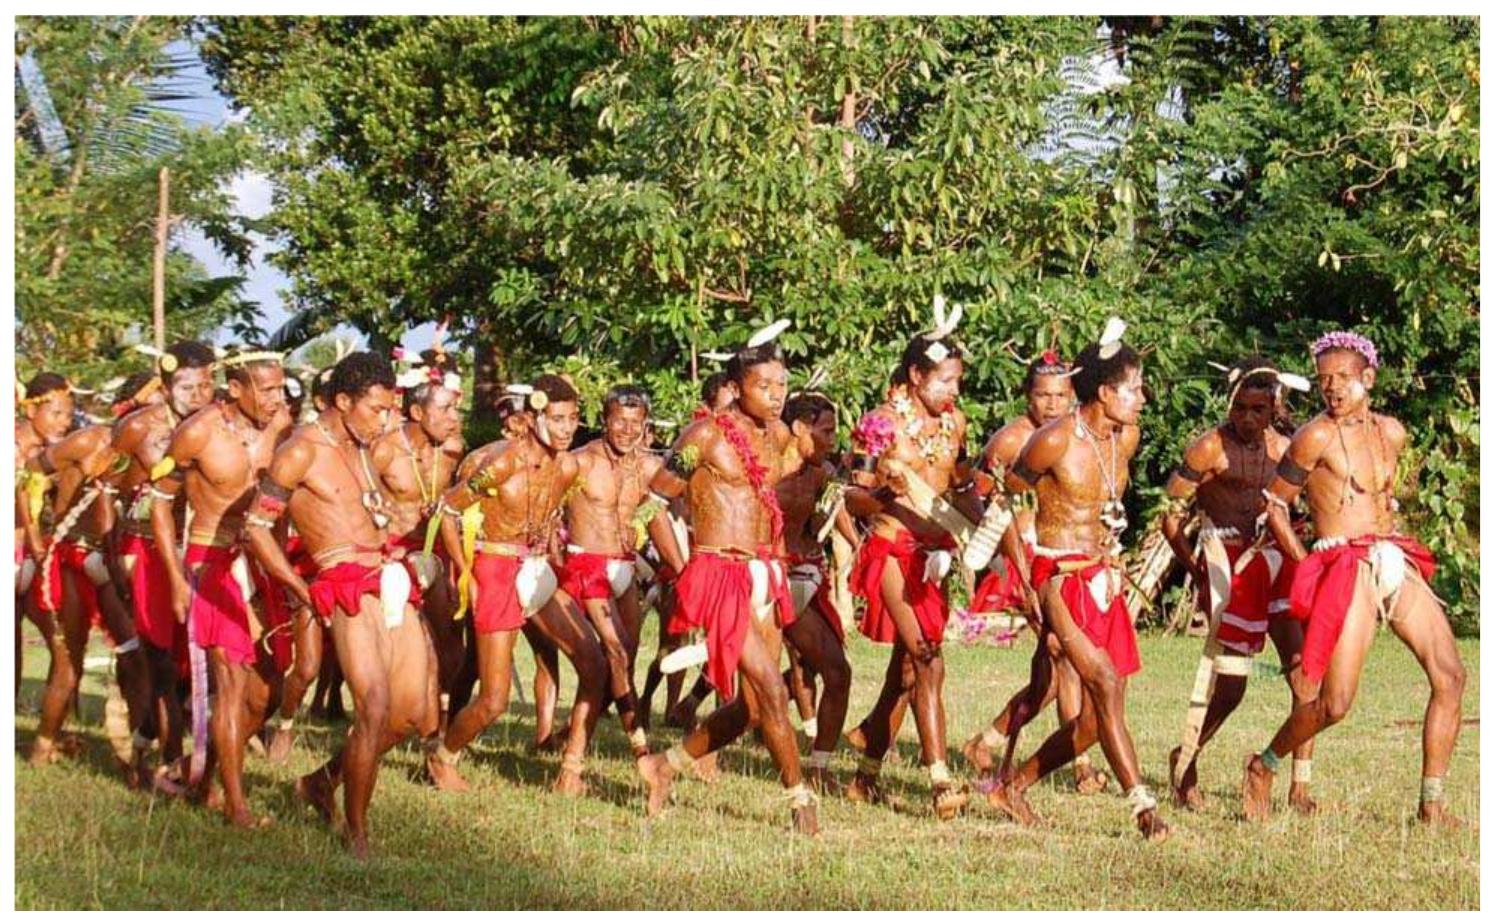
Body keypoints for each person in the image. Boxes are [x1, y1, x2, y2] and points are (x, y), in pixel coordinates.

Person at [1242, 331, 1465, 825]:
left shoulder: (1392, 432)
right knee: (1335, 704)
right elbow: (1273, 505)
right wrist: (1306, 561)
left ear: (1368, 377)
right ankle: (1264, 765)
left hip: (1390, 556)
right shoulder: (1314, 435)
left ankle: (1431, 803)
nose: (1332, 389)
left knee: (1451, 676)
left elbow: (1386, 491)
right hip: (1344, 564)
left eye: (1342, 378)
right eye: (1324, 381)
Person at [242, 352, 440, 856]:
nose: (385, 419)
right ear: (343, 401)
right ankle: (356, 832)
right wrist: (299, 589)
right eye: (376, 409)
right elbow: (257, 528)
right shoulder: (300, 450)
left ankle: (320, 782)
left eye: (389, 409)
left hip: (387, 576)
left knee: (412, 713)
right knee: (372, 705)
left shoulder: (361, 446)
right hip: (341, 582)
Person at [985, 321, 1170, 840]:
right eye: (1134, 388)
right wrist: (1023, 576)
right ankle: (1144, 809)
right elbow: (1012, 492)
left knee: (1093, 720)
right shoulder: (1053, 440)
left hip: (1103, 578)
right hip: (1058, 579)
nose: (1142, 397)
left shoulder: (1126, 439)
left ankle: (1013, 784)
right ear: (1106, 392)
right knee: (1105, 683)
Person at [635, 324, 819, 834]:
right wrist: (680, 567)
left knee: (754, 709)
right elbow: (651, 504)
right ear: (738, 387)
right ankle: (801, 804)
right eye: (765, 386)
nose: (777, 395)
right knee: (772, 689)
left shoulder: (777, 434)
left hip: (763, 571)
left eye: (782, 385)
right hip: (718, 573)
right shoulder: (705, 435)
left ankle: (663, 766)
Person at [431, 374, 610, 797]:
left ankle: (571, 768)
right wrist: (467, 575)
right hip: (494, 570)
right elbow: (446, 511)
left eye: (572, 419)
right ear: (532, 419)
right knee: (494, 700)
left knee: (595, 663)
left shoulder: (566, 467)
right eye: (558, 419)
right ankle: (443, 757)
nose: (567, 428)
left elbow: (551, 517)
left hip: (535, 569)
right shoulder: (499, 462)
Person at [1160, 357, 1317, 813]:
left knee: (1304, 672)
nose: (1248, 418)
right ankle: (1186, 757)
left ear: (1275, 407)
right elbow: (1169, 513)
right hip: (1227, 563)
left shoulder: (1287, 449)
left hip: (1274, 559)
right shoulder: (1209, 448)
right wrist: (1196, 568)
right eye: (1241, 408)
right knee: (1231, 688)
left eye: (1258, 409)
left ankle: (1299, 785)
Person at [841, 306, 972, 820]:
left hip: (935, 555)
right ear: (916, 377)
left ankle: (864, 776)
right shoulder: (880, 424)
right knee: (927, 658)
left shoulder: (955, 423)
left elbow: (961, 487)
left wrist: (986, 524)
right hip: (893, 548)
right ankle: (941, 781)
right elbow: (853, 495)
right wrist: (883, 497)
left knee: (906, 671)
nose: (953, 392)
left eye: (957, 381)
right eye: (945, 381)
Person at [152, 349, 292, 824]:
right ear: (235, 389)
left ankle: (205, 778)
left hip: (260, 563)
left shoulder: (278, 425)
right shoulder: (196, 432)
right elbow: (158, 503)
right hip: (210, 562)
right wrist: (174, 577)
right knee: (231, 687)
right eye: (268, 389)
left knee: (269, 688)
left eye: (281, 387)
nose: (278, 398)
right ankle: (236, 806)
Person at [960, 351, 1107, 793]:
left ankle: (985, 741)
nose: (1052, 404)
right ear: (1028, 396)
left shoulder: (1072, 436)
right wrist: (1011, 562)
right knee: (1064, 656)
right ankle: (1080, 766)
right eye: (1043, 395)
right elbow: (980, 499)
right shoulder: (1012, 440)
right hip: (1023, 560)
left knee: (1051, 668)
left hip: (1059, 560)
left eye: (1061, 395)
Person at [24, 377, 153, 779]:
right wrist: (37, 533)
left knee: (134, 654)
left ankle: (138, 755)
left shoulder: (149, 451)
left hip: (105, 560)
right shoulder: (88, 441)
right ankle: (41, 749)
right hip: (69, 557)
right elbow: (28, 472)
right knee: (68, 664)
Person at [112, 343, 218, 781]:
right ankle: (170, 758)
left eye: (206, 383)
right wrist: (113, 560)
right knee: (159, 663)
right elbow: (105, 489)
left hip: (196, 549)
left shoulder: (216, 426)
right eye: (188, 385)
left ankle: (151, 747)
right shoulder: (139, 428)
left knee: (196, 668)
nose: (198, 393)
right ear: (167, 384)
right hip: (145, 551)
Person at [560, 384, 664, 756]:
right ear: (605, 421)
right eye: (620, 421)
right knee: (616, 654)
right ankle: (641, 750)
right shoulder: (580, 461)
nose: (627, 430)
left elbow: (669, 511)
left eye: (635, 423)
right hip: (587, 567)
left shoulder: (650, 467)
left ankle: (570, 733)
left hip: (625, 568)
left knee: (626, 659)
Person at [775, 391, 853, 792]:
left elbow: (841, 509)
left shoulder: (820, 474)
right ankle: (699, 754)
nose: (832, 440)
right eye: (825, 431)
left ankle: (820, 768)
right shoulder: (767, 470)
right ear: (800, 429)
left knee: (837, 673)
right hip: (765, 581)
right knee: (759, 687)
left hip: (803, 578)